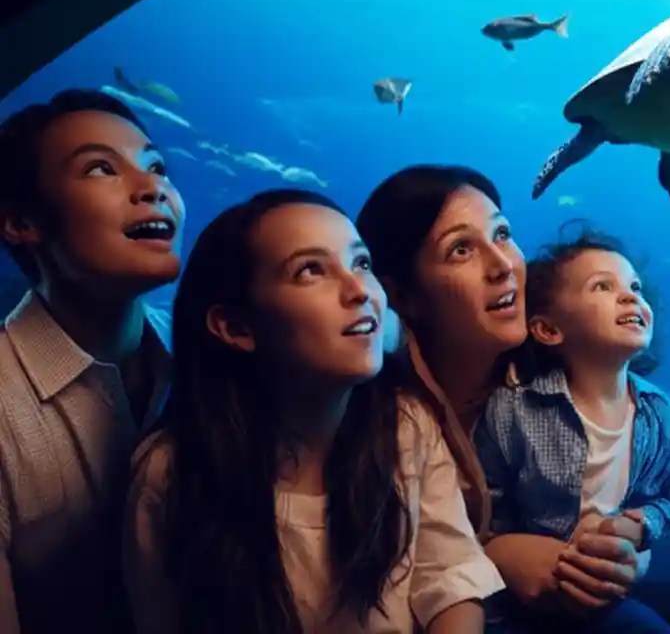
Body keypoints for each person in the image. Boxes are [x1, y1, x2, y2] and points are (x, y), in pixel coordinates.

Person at [121, 188, 504, 633]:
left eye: (361, 263)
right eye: (311, 271)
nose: (358, 290)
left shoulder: (405, 425)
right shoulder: (172, 476)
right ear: (236, 326)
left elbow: (451, 577)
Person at [356, 166, 646, 623]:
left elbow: (635, 500)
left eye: (502, 235)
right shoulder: (369, 413)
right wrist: (497, 556)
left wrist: (623, 558)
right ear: (403, 295)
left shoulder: (568, 377)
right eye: (461, 250)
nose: (503, 265)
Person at [0, 89, 183, 634]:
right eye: (101, 168)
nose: (152, 187)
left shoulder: (203, 353)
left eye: (157, 166)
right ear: (21, 222)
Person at [474, 224, 670, 633]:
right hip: (515, 597)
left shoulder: (660, 413)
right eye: (602, 287)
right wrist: (504, 552)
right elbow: (484, 503)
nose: (630, 296)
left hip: (604, 598)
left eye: (635, 286)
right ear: (548, 329)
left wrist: (639, 526)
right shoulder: (515, 408)